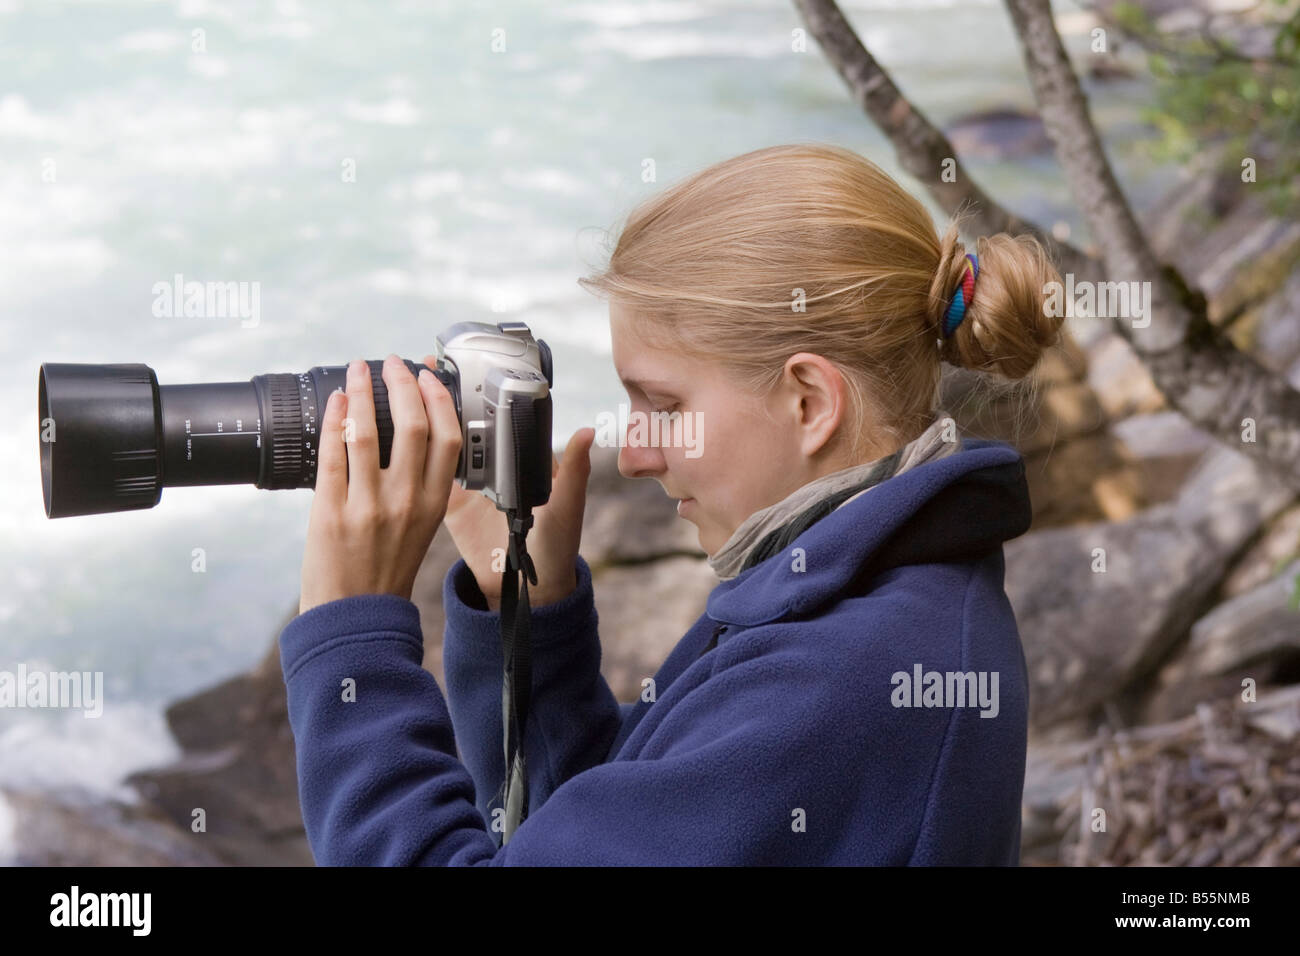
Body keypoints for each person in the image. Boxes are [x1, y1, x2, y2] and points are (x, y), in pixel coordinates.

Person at [280, 143, 1064, 865]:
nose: (637, 454)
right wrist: (528, 614)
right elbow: (622, 823)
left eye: (663, 402)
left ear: (809, 402)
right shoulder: (865, 588)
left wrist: (348, 633)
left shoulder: (839, 681)